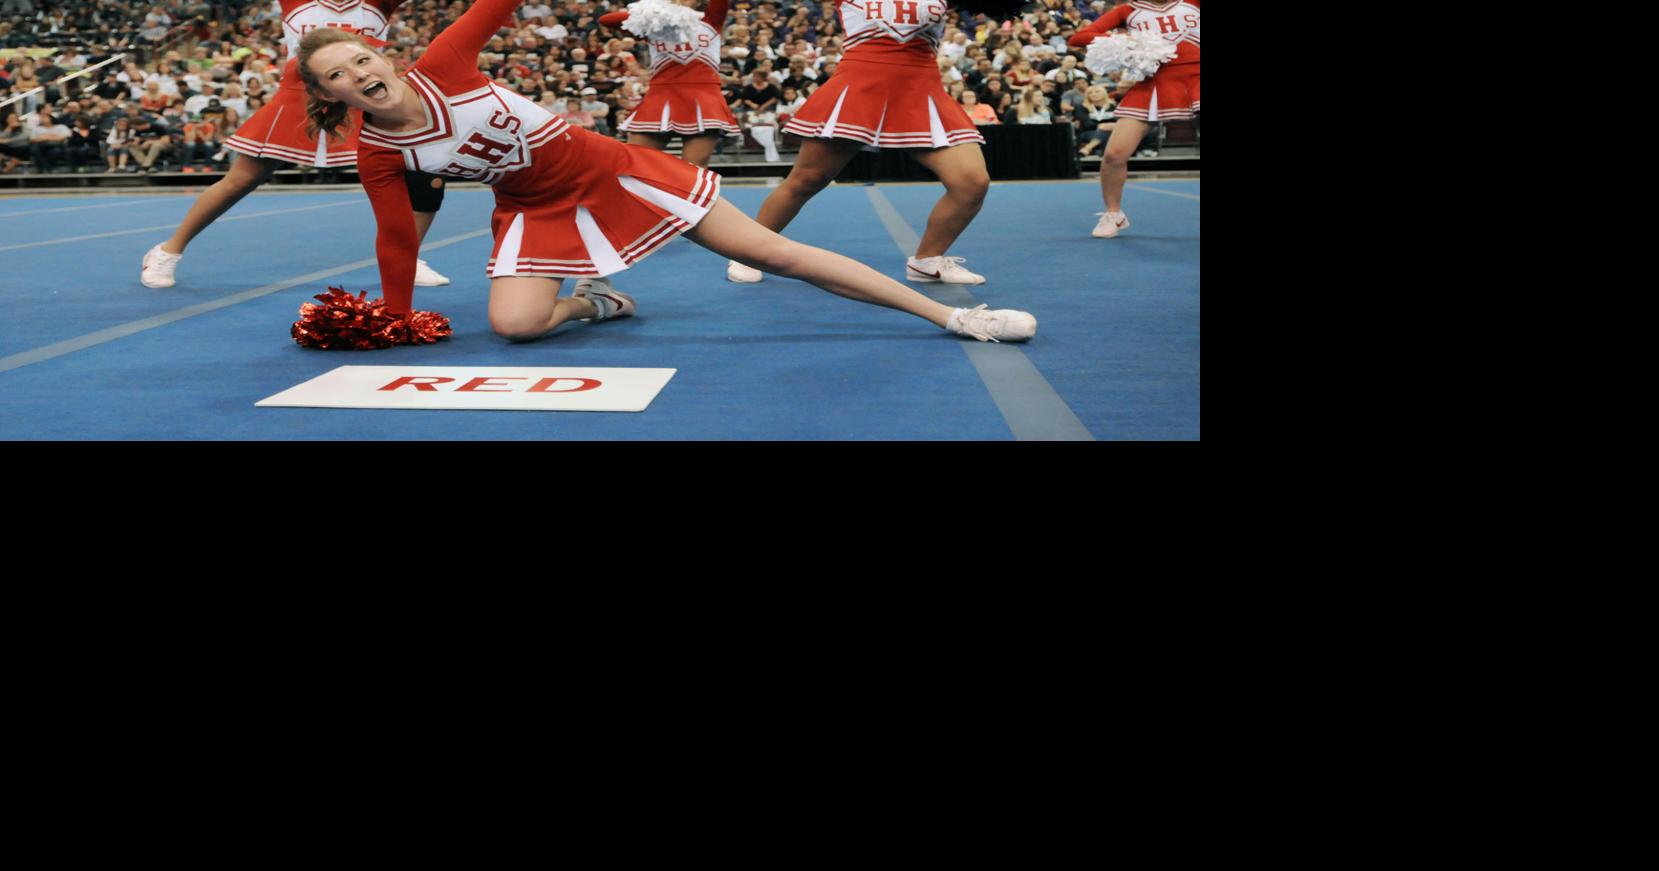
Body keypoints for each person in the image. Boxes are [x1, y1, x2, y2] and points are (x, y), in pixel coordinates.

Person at [298, 0, 1036, 345]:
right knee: (516, 326)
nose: (358, 74)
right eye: (338, 74)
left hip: (615, 171)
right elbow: (397, 238)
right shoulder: (379, 150)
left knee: (769, 252)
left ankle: (954, 317)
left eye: (362, 58)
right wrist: (394, 316)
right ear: (327, 94)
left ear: (385, 58)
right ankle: (598, 303)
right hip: (531, 208)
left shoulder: (444, 66)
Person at [139, 0, 452, 289]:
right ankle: (168, 251)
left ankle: (406, 259)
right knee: (241, 180)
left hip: (365, 100)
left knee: (421, 177)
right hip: (296, 102)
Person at [725, 0, 996, 286]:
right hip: (858, 90)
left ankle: (927, 260)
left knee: (972, 182)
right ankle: (748, 252)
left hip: (922, 94)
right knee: (807, 179)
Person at [1069, 0, 1199, 238]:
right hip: (1154, 82)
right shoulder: (1127, 10)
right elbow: (1079, 38)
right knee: (1114, 154)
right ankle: (1113, 215)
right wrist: (1124, 42)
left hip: (1198, 76)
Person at [597, 0, 740, 169]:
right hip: (660, 96)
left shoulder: (710, 20)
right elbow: (607, 20)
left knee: (693, 170)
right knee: (635, 164)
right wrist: (656, 12)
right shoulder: (653, 24)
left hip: (703, 97)